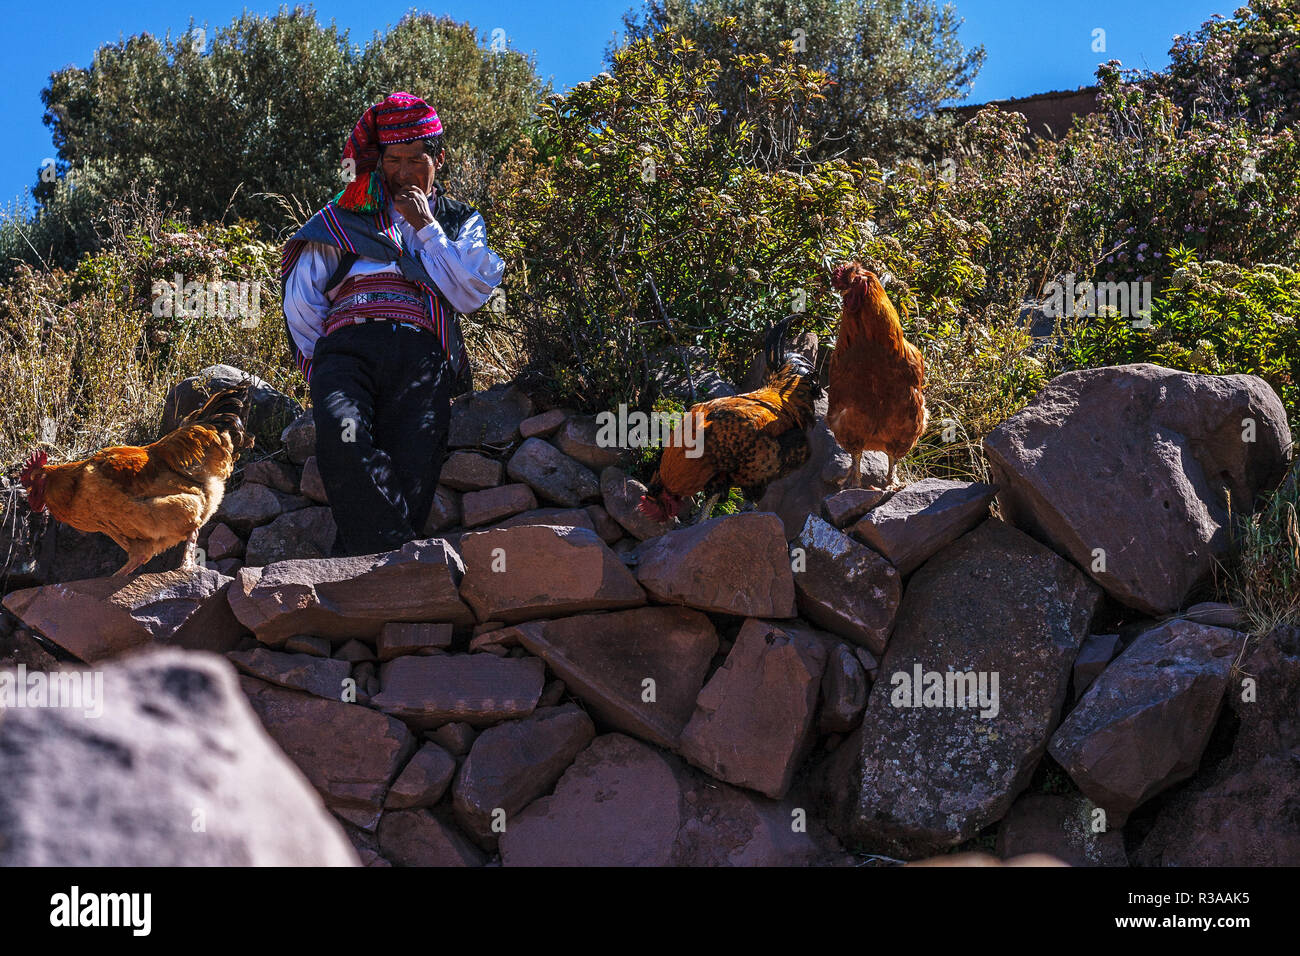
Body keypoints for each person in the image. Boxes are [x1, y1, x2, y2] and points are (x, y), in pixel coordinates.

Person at [281, 91, 503, 556]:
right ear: (379, 162)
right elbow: (302, 304)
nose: (404, 173)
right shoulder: (342, 217)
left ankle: (364, 573)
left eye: (415, 160)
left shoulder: (458, 220)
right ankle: (400, 565)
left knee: (414, 467)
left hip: (421, 354)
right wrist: (324, 365)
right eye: (393, 161)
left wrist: (426, 227)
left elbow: (470, 292)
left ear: (439, 158)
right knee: (343, 440)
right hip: (347, 349)